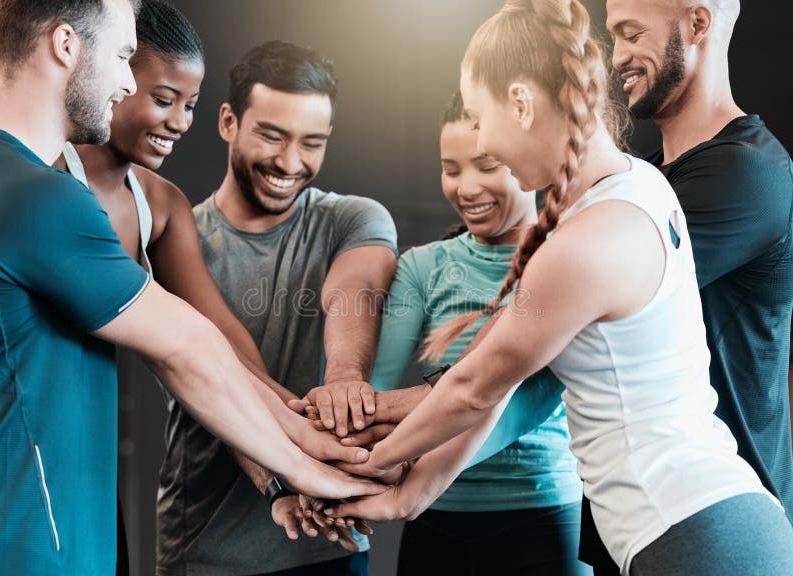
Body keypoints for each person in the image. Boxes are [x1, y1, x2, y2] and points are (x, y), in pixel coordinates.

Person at [324, 1, 793, 575]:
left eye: (479, 115)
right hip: (717, 524)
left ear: (521, 103)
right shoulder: (640, 185)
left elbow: (473, 386)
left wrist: (375, 465)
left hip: (697, 534)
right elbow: (494, 388)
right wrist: (412, 491)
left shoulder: (587, 243)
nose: (484, 144)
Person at [0, 2, 382, 574]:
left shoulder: (138, 202)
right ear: (67, 46)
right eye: (123, 58)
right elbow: (184, 351)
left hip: (75, 513)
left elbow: (210, 346)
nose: (125, 80)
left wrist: (287, 465)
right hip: (38, 534)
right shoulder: (40, 194)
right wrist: (307, 465)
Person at [154, 41, 398, 576]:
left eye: (312, 143)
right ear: (227, 121)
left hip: (331, 543)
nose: (290, 163)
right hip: (206, 549)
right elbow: (207, 382)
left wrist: (344, 379)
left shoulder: (354, 219)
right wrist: (281, 480)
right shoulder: (174, 239)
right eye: (272, 135)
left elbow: (354, 292)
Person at [570, 1, 793, 572]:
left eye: (630, 33)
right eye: (611, 36)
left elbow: (562, 323)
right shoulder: (642, 184)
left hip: (719, 525)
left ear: (697, 24)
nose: (616, 56)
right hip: (635, 523)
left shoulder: (746, 173)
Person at [366, 90, 588, 575]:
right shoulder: (423, 267)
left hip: (544, 517)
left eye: (487, 165)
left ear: (523, 159)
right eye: (451, 169)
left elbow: (519, 399)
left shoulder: (567, 260)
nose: (466, 187)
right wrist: (342, 470)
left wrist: (402, 468)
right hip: (434, 523)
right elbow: (374, 390)